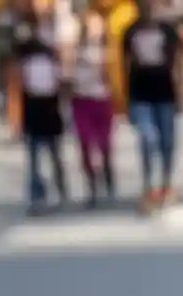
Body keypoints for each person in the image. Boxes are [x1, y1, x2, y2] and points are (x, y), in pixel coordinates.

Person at [123, 0, 183, 213]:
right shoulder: (131, 32)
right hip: (141, 94)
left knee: (167, 142)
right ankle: (148, 186)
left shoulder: (168, 30)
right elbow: (126, 65)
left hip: (165, 93)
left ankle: (166, 183)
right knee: (147, 139)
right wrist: (126, 99)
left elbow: (179, 62)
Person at [13, 15, 69, 214]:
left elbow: (61, 81)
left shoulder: (54, 54)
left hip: (50, 107)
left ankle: (62, 192)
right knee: (35, 157)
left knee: (55, 155)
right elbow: (18, 83)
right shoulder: (24, 52)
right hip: (33, 107)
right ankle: (37, 195)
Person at [70, 6, 116, 206]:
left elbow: (115, 78)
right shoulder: (75, 51)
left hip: (102, 100)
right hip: (82, 100)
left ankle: (108, 180)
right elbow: (67, 75)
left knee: (105, 145)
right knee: (85, 144)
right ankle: (92, 187)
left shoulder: (108, 51)